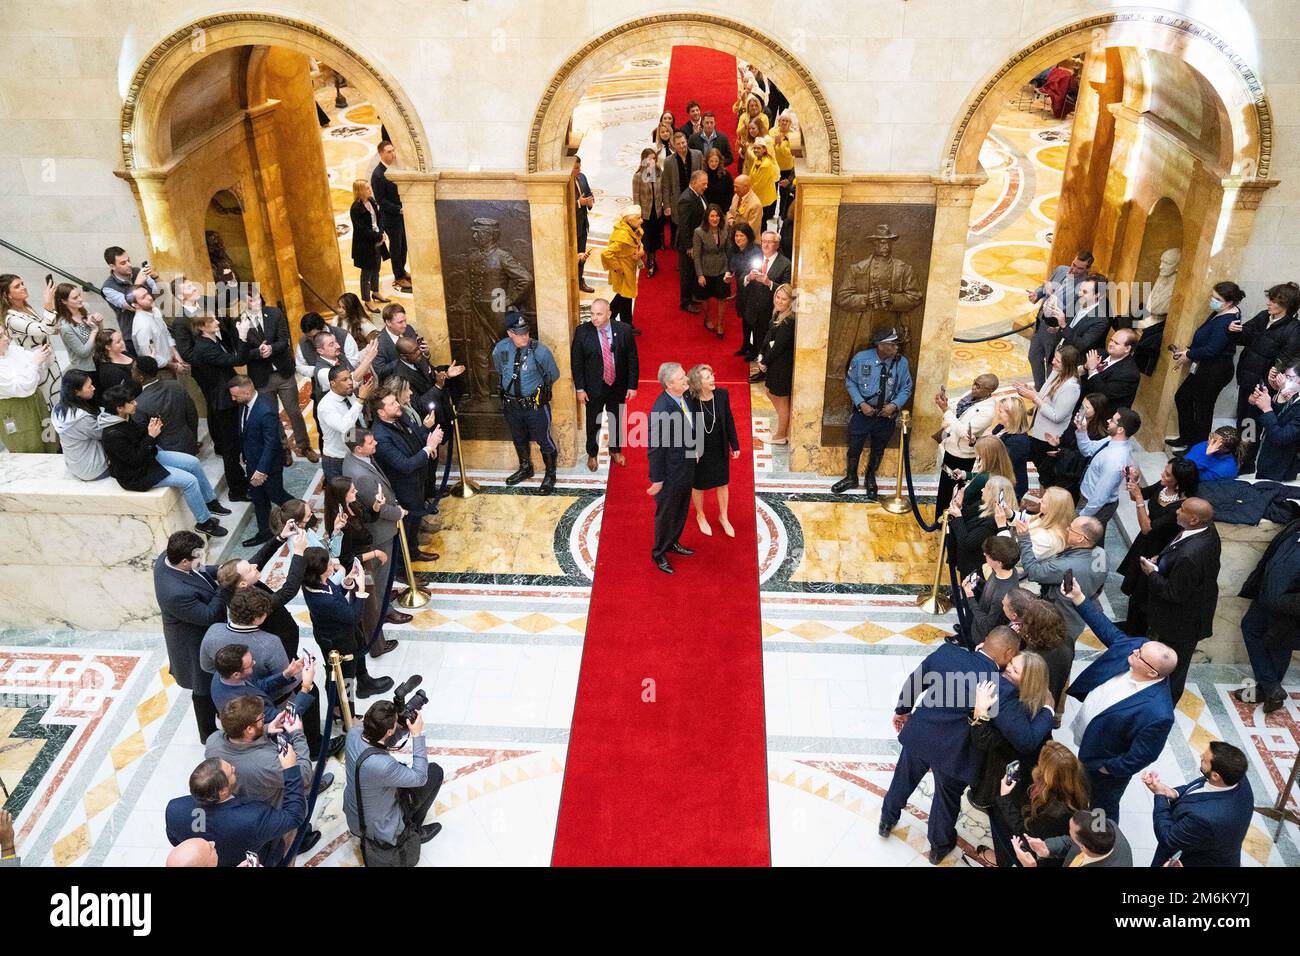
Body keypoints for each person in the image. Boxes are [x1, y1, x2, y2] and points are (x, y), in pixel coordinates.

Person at [879, 627, 1051, 865]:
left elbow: (915, 681)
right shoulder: (1001, 689)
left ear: (985, 642)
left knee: (903, 778)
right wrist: (1048, 710)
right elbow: (1024, 740)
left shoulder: (946, 653)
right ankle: (939, 847)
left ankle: (887, 819)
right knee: (945, 800)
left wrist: (902, 711)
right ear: (1009, 652)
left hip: (921, 734)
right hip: (956, 754)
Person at [1064, 579, 1177, 823]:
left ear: (1152, 673)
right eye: (1139, 648)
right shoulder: (1138, 647)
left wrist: (1108, 769)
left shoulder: (1159, 713)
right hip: (1089, 740)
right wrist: (1079, 598)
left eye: (1139, 655)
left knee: (1103, 807)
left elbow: (1142, 755)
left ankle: (1101, 843)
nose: (1133, 651)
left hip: (1103, 766)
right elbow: (1108, 631)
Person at [99, 384, 229, 535]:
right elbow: (134, 459)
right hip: (137, 474)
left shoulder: (124, 418)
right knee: (189, 481)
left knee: (193, 462)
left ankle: (210, 501)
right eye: (131, 402)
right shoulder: (112, 434)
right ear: (119, 408)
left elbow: (140, 439)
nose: (136, 403)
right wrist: (150, 436)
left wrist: (151, 429)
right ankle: (204, 522)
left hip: (149, 456)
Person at [205, 696, 324, 854]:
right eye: (262, 718)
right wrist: (297, 734)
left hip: (246, 799)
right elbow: (304, 775)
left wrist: (266, 728)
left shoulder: (213, 741)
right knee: (287, 840)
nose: (264, 718)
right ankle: (297, 843)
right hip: (274, 810)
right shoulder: (266, 763)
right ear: (249, 729)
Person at [968, 650, 1054, 865]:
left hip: (1011, 775)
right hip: (1027, 772)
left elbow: (988, 740)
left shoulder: (1008, 703)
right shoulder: (1039, 699)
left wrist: (979, 713)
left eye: (1015, 670)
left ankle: (1003, 858)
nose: (1007, 668)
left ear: (1028, 680)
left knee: (1004, 821)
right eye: (1011, 664)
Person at [1136, 497, 1221, 703]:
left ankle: (1163, 705)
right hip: (1186, 611)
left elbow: (1174, 593)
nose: (1176, 512)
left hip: (1180, 622)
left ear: (1193, 520)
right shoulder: (1206, 530)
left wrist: (1151, 574)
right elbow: (1178, 550)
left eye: (1181, 510)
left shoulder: (1190, 556)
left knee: (1174, 668)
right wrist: (1163, 559)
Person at [344, 700, 445, 866]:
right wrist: (417, 735)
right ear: (390, 731)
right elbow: (420, 777)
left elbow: (380, 740)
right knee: (434, 772)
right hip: (379, 830)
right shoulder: (383, 766)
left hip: (355, 817)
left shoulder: (353, 733)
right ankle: (412, 830)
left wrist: (400, 725)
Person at [164, 754, 306, 868]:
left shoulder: (174, 810)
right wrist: (290, 768)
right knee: (289, 832)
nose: (234, 768)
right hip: (266, 857)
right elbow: (294, 816)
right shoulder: (252, 818)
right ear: (223, 791)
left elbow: (175, 840)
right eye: (230, 771)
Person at [155, 530, 229, 742]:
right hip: (191, 643)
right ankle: (207, 733)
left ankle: (220, 709)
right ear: (185, 561)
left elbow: (200, 572)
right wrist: (224, 584)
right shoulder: (175, 592)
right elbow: (208, 615)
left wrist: (220, 570)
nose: (202, 559)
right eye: (198, 557)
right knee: (202, 687)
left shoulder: (167, 558)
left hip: (199, 634)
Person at [1117, 458, 1199, 635]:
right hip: (1144, 544)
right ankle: (1131, 624)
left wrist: (1139, 499)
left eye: (1168, 474)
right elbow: (1138, 495)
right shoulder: (1163, 487)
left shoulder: (1181, 505)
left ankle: (1137, 631)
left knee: (1144, 591)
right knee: (1135, 586)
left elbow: (1147, 528)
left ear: (1179, 481)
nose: (1162, 474)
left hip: (1159, 549)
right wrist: (1133, 481)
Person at [343, 428, 411, 633]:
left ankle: (383, 597)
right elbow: (378, 508)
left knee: (382, 575)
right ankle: (384, 610)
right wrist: (398, 513)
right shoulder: (361, 476)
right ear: (359, 448)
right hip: (379, 532)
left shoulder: (354, 459)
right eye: (371, 443)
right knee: (380, 574)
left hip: (378, 526)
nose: (376, 445)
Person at [1144, 741, 1253, 867]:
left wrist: (1160, 794)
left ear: (1216, 776)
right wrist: (1172, 793)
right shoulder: (1235, 777)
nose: (1201, 756)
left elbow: (1168, 838)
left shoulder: (1205, 819)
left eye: (1205, 760)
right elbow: (1201, 786)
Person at [832, 328, 913, 497]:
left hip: (886, 416)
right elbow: (851, 382)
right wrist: (861, 404)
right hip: (863, 413)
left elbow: (906, 387)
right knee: (854, 447)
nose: (896, 347)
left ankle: (870, 477)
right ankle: (851, 477)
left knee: (878, 448)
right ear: (880, 345)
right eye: (892, 344)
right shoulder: (861, 359)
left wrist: (894, 405)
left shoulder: (901, 362)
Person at [1231, 282, 1300, 472]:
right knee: (1242, 418)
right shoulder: (1264, 317)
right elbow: (1246, 334)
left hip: (1263, 384)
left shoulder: (1293, 329)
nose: (1268, 302)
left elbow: (1285, 359)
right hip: (1246, 375)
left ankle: (1246, 462)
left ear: (1285, 304)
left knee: (1251, 423)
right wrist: (1236, 330)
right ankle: (1238, 456)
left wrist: (1268, 381)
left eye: (1273, 300)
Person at [1235, 513, 1300, 714]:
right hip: (1266, 598)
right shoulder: (1295, 526)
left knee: (1279, 644)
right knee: (1250, 628)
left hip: (1289, 607)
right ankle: (1271, 687)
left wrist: (1284, 602)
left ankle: (1268, 689)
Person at [988, 741, 1090, 867]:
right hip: (1056, 834)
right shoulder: (1080, 778)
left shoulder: (1053, 811)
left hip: (1042, 849)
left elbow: (1024, 830)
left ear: (1047, 774)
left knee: (998, 818)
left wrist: (1004, 797)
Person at [239, 289, 314, 463]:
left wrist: (271, 348)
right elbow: (242, 354)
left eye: (256, 298)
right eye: (250, 300)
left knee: (294, 411)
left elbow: (284, 339)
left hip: (283, 372)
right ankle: (284, 449)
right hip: (261, 377)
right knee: (272, 415)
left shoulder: (274, 313)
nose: (255, 302)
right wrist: (258, 353)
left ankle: (304, 445)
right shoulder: (240, 322)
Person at [1169, 280, 1245, 451]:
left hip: (1215, 370)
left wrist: (1189, 354)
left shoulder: (1228, 320)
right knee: (1183, 397)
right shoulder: (1220, 311)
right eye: (1213, 296)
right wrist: (1189, 351)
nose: (1212, 300)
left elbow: (1212, 350)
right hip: (1203, 366)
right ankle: (1187, 437)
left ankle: (1198, 447)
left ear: (1229, 302)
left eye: (1217, 298)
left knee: (1203, 408)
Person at [493, 311, 561, 494]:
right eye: (520, 333)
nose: (525, 336)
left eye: (526, 332)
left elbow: (553, 375)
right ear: (510, 333)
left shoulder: (540, 351)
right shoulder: (501, 349)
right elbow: (499, 368)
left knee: (544, 440)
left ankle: (550, 473)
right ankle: (525, 468)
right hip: (512, 406)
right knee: (518, 437)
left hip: (535, 406)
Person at [370, 387, 442, 561]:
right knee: (406, 527)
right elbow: (405, 465)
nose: (397, 405)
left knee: (415, 524)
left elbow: (415, 436)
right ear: (381, 412)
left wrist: (426, 435)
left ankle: (414, 552)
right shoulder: (381, 436)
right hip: (403, 489)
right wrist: (428, 448)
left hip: (417, 482)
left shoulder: (400, 416)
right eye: (392, 403)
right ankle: (403, 566)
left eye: (395, 401)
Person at [1013, 514, 1106, 641]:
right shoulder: (1101, 553)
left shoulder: (1063, 567)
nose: (1067, 529)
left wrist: (1024, 538)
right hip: (1079, 617)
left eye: (1071, 529)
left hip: (1057, 622)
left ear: (1080, 538)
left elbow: (1034, 572)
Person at [572, 298, 639, 472]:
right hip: (593, 388)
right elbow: (577, 363)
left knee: (616, 418)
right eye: (592, 314)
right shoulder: (582, 332)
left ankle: (615, 450)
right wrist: (580, 388)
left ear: (609, 314)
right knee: (593, 421)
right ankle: (592, 454)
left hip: (617, 386)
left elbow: (632, 358)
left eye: (599, 314)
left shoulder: (623, 330)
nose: (594, 318)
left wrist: (632, 385)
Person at [191, 313, 251, 501]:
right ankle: (237, 490)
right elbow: (238, 360)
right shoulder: (205, 348)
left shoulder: (211, 341)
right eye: (212, 321)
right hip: (223, 403)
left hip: (225, 399)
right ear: (201, 327)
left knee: (234, 444)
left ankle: (240, 483)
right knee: (231, 448)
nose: (217, 322)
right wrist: (242, 336)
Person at [648, 362, 698, 574]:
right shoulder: (662, 410)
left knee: (681, 507)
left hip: (685, 465)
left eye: (684, 375)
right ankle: (659, 553)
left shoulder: (683, 396)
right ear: (669, 384)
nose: (686, 379)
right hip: (670, 473)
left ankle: (673, 541)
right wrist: (658, 479)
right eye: (681, 378)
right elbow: (655, 449)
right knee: (666, 512)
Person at [229, 373, 289, 546]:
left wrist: (261, 470)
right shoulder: (245, 404)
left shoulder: (266, 410)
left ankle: (306, 515)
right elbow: (246, 432)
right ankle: (265, 532)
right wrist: (244, 453)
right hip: (252, 462)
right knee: (259, 499)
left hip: (267, 467)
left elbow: (272, 444)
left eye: (235, 395)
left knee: (278, 496)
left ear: (248, 392)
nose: (233, 399)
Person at [685, 364, 740, 537]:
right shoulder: (689, 399)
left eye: (712, 375)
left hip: (719, 446)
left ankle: (723, 517)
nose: (713, 379)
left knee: (722, 483)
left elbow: (729, 419)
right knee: (698, 485)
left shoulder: (722, 395)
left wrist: (735, 444)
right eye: (707, 378)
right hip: (698, 450)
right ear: (697, 383)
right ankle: (700, 516)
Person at [1025, 251, 1093, 389]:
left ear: (1087, 268)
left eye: (1080, 268)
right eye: (1074, 264)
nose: (1074, 269)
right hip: (1040, 323)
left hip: (1055, 331)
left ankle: (1046, 394)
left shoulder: (1085, 287)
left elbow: (1069, 310)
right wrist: (1036, 294)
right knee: (1034, 357)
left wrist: (1050, 293)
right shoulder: (1061, 269)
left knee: (1053, 365)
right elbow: (1046, 286)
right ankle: (1039, 390)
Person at [933, 373, 998, 514]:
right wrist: (945, 403)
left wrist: (945, 410)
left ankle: (950, 521)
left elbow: (964, 432)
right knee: (944, 488)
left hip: (962, 455)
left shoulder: (987, 412)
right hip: (950, 448)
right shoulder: (970, 394)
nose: (973, 387)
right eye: (974, 382)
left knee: (955, 491)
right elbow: (957, 409)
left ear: (989, 391)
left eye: (978, 386)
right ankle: (939, 520)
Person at [1075, 406, 1140, 528]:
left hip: (1094, 506)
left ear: (1120, 429)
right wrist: (1082, 430)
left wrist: (1083, 515)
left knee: (1085, 541)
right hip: (1090, 501)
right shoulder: (1112, 440)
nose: (1108, 420)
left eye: (1113, 420)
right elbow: (1088, 450)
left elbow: (1101, 496)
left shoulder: (1115, 460)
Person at [0, 323, 57, 453]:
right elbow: (21, 387)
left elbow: (38, 365)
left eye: (4, 333)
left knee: (49, 438)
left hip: (37, 400)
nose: (6, 338)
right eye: (0, 336)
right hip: (16, 410)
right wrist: (34, 364)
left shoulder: (13, 350)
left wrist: (44, 355)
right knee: (27, 446)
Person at [947, 476, 1015, 578]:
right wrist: (960, 507)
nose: (982, 489)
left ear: (993, 495)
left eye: (986, 488)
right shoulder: (983, 504)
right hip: (968, 563)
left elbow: (968, 544)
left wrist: (958, 517)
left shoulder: (992, 521)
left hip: (975, 569)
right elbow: (968, 516)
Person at [1012, 810, 1132, 867]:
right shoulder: (1107, 826)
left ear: (1084, 847)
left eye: (1070, 830)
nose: (1068, 832)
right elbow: (1072, 842)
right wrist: (1047, 848)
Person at [741, 230, 791, 364]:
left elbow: (787, 290)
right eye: (764, 241)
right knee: (756, 339)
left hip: (770, 311)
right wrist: (748, 277)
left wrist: (769, 283)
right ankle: (757, 358)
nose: (766, 245)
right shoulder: (754, 257)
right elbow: (742, 278)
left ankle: (764, 369)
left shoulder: (785, 264)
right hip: (753, 308)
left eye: (770, 242)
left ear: (777, 244)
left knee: (767, 343)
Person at [131, 355, 199, 455]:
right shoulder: (176, 385)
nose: (131, 372)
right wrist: (192, 437)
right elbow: (192, 414)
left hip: (164, 453)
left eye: (133, 369)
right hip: (187, 441)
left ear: (141, 377)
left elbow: (144, 437)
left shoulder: (139, 405)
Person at [963, 534, 1021, 646]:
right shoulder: (1008, 570)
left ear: (999, 562)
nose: (984, 554)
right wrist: (979, 582)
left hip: (983, 638)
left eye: (988, 555)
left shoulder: (1002, 595)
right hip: (980, 618)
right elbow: (992, 588)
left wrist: (970, 597)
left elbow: (987, 626)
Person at [757, 284, 797, 444]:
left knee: (780, 399)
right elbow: (768, 337)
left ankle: (781, 436)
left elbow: (778, 346)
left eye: (784, 299)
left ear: (790, 301)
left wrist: (765, 361)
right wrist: (761, 354)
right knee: (769, 392)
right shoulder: (778, 315)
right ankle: (782, 429)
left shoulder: (788, 321)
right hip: (775, 364)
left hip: (782, 366)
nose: (779, 301)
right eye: (777, 297)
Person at [100, 246, 160, 350]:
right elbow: (131, 305)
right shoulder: (108, 288)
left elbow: (158, 292)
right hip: (134, 334)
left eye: (129, 260)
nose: (129, 265)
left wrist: (155, 277)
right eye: (123, 263)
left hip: (155, 325)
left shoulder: (137, 271)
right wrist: (138, 283)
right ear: (112, 266)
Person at [371, 141, 412, 291]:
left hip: (401, 214)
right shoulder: (378, 175)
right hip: (391, 217)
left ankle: (402, 270)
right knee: (396, 246)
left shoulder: (394, 168)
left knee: (404, 244)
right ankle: (398, 276)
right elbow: (381, 200)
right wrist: (398, 209)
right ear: (381, 153)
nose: (392, 154)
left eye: (393, 151)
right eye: (389, 152)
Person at [52, 371, 107, 479]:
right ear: (76, 392)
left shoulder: (60, 408)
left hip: (74, 464)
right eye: (89, 386)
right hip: (94, 469)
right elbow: (103, 433)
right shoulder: (82, 419)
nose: (93, 388)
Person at [1249, 363, 1300, 480]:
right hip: (1269, 459)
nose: (1283, 380)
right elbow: (1281, 416)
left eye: (1289, 377)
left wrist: (1267, 409)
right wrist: (1266, 399)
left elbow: (1282, 437)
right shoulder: (1295, 395)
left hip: (1281, 469)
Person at [126, 286, 186, 378]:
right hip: (161, 371)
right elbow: (151, 358)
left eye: (147, 293)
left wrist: (175, 353)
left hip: (171, 361)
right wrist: (174, 366)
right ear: (135, 305)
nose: (149, 297)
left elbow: (165, 333)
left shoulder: (155, 311)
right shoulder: (142, 326)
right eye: (143, 297)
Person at [601, 204, 645, 330]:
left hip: (629, 267)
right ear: (630, 220)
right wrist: (617, 267)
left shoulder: (632, 228)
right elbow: (607, 254)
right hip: (623, 269)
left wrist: (640, 251)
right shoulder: (622, 235)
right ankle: (626, 325)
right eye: (638, 218)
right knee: (625, 296)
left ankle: (610, 317)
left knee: (624, 295)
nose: (641, 221)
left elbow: (638, 242)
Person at [660, 131, 703, 257]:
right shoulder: (668, 161)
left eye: (683, 142)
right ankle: (681, 256)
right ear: (674, 145)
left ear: (687, 141)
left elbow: (702, 176)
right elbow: (666, 185)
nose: (682, 146)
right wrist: (667, 205)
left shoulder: (697, 155)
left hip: (694, 197)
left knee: (694, 225)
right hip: (677, 201)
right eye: (678, 144)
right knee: (679, 229)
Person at [674, 168, 709, 314]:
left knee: (694, 271)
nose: (706, 186)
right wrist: (689, 246)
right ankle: (685, 302)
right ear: (694, 183)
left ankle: (692, 295)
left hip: (697, 241)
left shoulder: (698, 194)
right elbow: (684, 226)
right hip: (687, 244)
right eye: (703, 184)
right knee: (687, 273)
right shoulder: (686, 199)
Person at [349, 178, 387, 311]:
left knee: (377, 267)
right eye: (366, 188)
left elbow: (379, 217)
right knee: (367, 273)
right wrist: (378, 236)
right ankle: (367, 299)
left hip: (377, 240)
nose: (370, 189)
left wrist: (381, 233)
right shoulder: (356, 208)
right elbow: (361, 230)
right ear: (360, 191)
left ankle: (375, 292)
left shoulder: (371, 201)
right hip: (365, 245)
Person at [693, 203, 730, 337]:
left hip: (722, 268)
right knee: (705, 298)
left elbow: (728, 249)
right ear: (707, 218)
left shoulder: (725, 229)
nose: (715, 219)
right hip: (706, 270)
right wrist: (700, 274)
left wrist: (729, 269)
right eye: (712, 216)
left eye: (717, 216)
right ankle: (707, 319)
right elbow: (696, 255)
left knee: (722, 297)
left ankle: (720, 324)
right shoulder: (699, 232)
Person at [1082, 328, 1141, 411]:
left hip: (1100, 415)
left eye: (1116, 343)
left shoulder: (1129, 373)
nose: (1111, 344)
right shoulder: (1100, 353)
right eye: (1111, 340)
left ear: (1127, 349)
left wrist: (1092, 369)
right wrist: (1085, 367)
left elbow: (1104, 394)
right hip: (1082, 403)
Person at [53, 282, 103, 374]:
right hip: (86, 368)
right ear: (64, 301)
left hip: (100, 357)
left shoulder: (86, 307)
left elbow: (100, 334)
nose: (80, 299)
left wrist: (99, 322)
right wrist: (94, 330)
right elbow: (83, 352)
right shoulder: (65, 327)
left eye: (79, 295)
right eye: (75, 298)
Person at [1058, 274, 1110, 357]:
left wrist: (1064, 326)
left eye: (1085, 292)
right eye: (1080, 290)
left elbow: (1081, 345)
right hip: (1057, 351)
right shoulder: (1076, 302)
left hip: (1071, 362)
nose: (1079, 294)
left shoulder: (1100, 320)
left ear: (1097, 295)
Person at [374, 302, 425, 384]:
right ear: (388, 322)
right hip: (399, 384)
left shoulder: (409, 329)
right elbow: (380, 371)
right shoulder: (379, 344)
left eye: (405, 320)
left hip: (419, 376)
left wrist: (425, 353)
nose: (405, 325)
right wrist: (402, 360)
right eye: (400, 322)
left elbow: (419, 358)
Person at [632, 149, 664, 277]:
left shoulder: (658, 172)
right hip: (645, 212)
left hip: (657, 211)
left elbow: (662, 190)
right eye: (649, 159)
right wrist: (637, 215)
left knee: (655, 237)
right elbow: (636, 197)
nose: (652, 161)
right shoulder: (638, 176)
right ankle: (650, 263)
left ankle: (653, 260)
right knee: (647, 238)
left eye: (654, 158)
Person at [992, 397, 1032, 499]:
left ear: (1012, 415)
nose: (998, 414)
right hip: (1002, 481)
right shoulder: (1002, 426)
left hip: (1011, 487)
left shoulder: (1018, 441)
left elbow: (1001, 462)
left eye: (1001, 412)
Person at [573, 156, 596, 293]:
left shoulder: (582, 177)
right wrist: (578, 203)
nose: (579, 170)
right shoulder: (564, 183)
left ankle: (580, 280)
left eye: (579, 167)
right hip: (570, 227)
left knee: (582, 254)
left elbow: (588, 193)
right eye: (576, 168)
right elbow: (562, 205)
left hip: (582, 224)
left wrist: (590, 201)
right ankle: (572, 280)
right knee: (572, 255)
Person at [93, 328, 135, 394]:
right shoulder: (110, 371)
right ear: (108, 347)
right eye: (118, 342)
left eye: (121, 339)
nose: (122, 343)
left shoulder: (123, 353)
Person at [726, 174, 763, 241]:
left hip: (748, 242)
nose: (734, 190)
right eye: (734, 187)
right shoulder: (736, 196)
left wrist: (735, 228)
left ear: (746, 187)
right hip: (735, 238)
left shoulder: (755, 205)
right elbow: (730, 211)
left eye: (737, 187)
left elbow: (751, 229)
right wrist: (730, 218)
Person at [701, 147, 733, 214]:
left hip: (722, 211)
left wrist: (724, 212)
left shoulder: (726, 175)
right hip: (706, 212)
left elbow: (730, 195)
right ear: (707, 161)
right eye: (711, 161)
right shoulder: (702, 175)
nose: (714, 164)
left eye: (716, 161)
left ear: (720, 161)